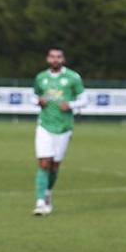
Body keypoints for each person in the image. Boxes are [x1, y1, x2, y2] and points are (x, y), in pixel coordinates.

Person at [31, 46, 86, 216]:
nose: (55, 59)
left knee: (54, 166)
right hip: (44, 125)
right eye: (52, 57)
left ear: (63, 59)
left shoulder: (72, 77)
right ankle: (40, 202)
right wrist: (37, 101)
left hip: (64, 127)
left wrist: (70, 105)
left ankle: (48, 192)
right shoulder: (41, 77)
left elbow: (84, 100)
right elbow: (34, 95)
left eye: (58, 57)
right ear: (48, 59)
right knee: (44, 163)